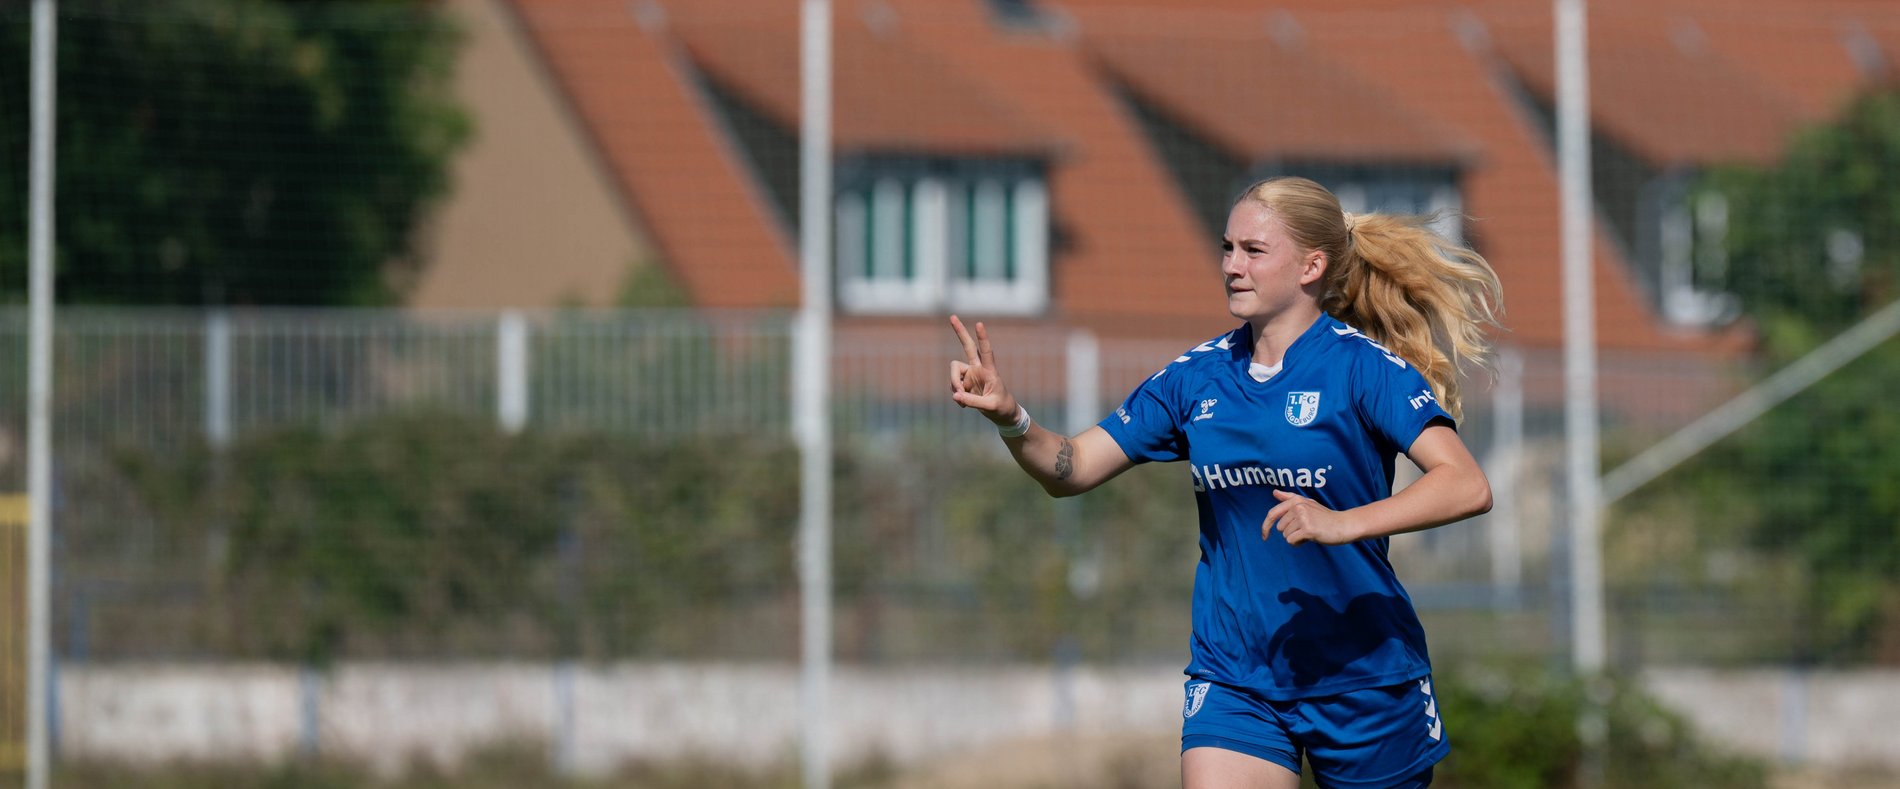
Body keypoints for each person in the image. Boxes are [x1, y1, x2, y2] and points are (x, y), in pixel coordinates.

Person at [948, 175, 1503, 789]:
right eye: (1227, 248)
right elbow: (1072, 466)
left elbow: (1466, 484)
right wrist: (1012, 419)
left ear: (1311, 266)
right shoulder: (1196, 377)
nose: (1232, 266)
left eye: (1253, 251)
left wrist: (1342, 523)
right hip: (1235, 675)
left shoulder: (1365, 369)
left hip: (1363, 672)